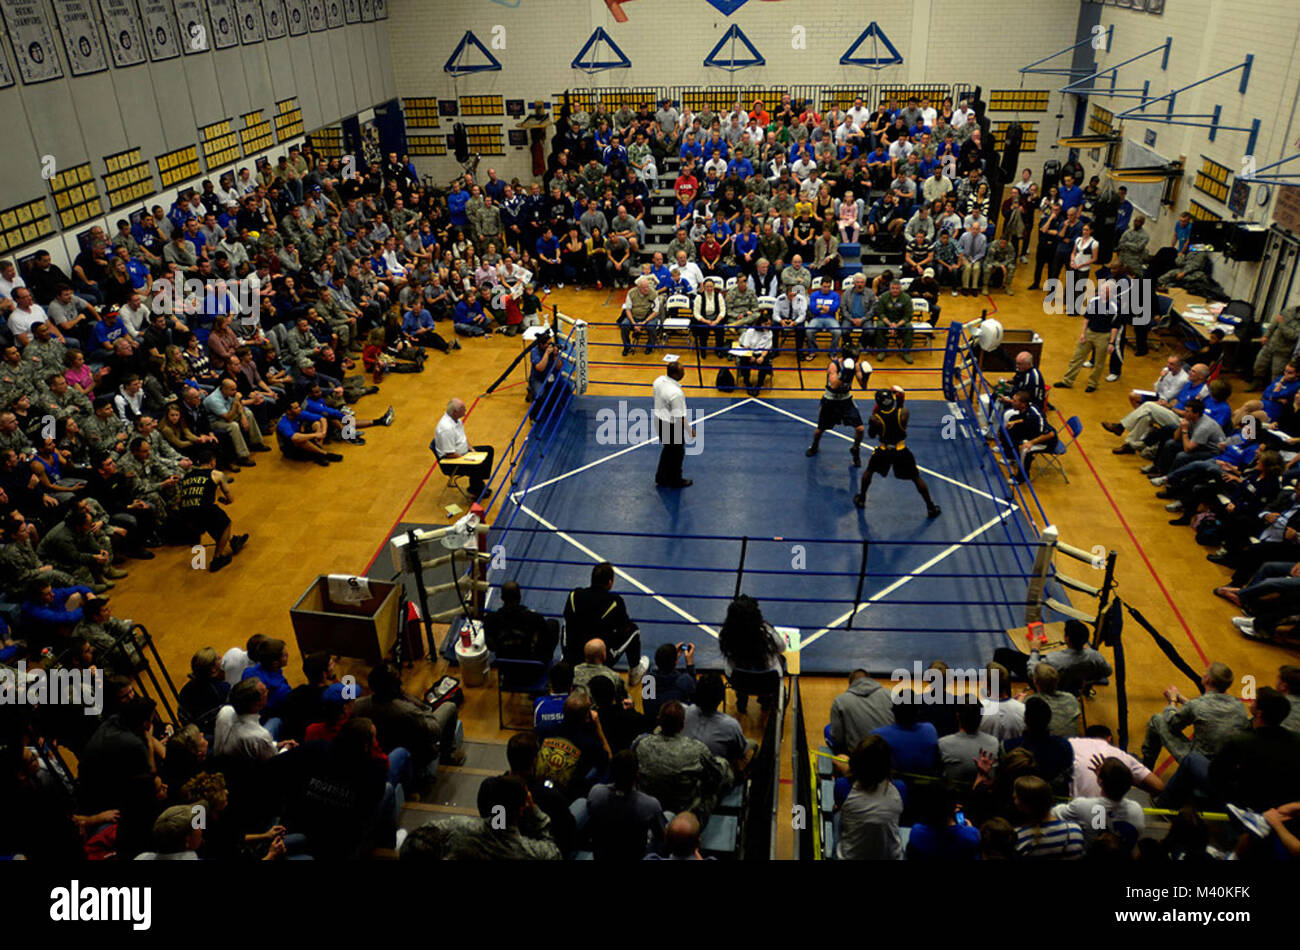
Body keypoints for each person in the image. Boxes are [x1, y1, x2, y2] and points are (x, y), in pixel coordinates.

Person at [854, 388, 941, 518]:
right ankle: (930, 507)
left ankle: (862, 499)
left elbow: (872, 435)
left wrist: (874, 415)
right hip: (901, 451)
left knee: (869, 471)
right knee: (916, 478)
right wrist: (900, 400)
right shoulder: (904, 413)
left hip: (884, 451)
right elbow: (899, 414)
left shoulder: (875, 419)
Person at [562, 561, 647, 685]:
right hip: (600, 658)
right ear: (610, 582)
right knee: (633, 630)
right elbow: (624, 628)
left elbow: (567, 622)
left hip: (573, 656)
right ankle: (635, 671)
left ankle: (565, 659)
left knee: (567, 624)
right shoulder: (615, 602)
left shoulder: (574, 595)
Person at [174, 448, 247, 573]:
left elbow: (180, 499)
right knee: (225, 523)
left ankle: (233, 540)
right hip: (203, 508)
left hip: (185, 512)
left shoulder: (187, 476)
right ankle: (217, 559)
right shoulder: (216, 474)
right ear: (212, 463)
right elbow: (230, 499)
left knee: (212, 521)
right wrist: (223, 500)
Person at [586, 749, 667, 860]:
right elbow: (661, 837)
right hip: (635, 855)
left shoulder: (596, 793)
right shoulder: (650, 805)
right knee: (669, 816)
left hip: (602, 854)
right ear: (636, 775)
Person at [837, 735, 903, 860]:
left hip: (850, 856)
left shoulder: (842, 787)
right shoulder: (899, 789)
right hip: (890, 856)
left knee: (838, 816)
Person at [717, 594, 786, 713]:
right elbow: (782, 648)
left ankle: (742, 700)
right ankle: (765, 701)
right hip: (768, 679)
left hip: (737, 679)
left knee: (741, 671)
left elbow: (726, 653)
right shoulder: (767, 633)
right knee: (782, 659)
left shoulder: (726, 633)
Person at [805, 343, 872, 464]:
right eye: (855, 357)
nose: (857, 359)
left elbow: (863, 386)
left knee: (860, 429)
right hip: (830, 400)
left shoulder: (855, 366)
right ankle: (814, 446)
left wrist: (866, 376)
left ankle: (855, 448)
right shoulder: (833, 365)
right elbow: (834, 385)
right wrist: (844, 374)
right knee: (820, 430)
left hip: (846, 400)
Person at [482, 579, 559, 664]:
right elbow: (545, 639)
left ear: (502, 598)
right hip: (530, 664)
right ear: (519, 597)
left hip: (504, 665)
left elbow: (491, 646)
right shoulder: (534, 617)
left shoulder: (490, 619)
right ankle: (546, 662)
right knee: (552, 624)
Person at [431, 397, 494, 500]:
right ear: (455, 412)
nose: (466, 410)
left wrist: (472, 450)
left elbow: (463, 437)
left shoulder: (456, 419)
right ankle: (475, 489)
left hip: (463, 452)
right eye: (463, 409)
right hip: (451, 461)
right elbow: (449, 454)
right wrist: (468, 459)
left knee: (488, 450)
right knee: (476, 464)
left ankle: (478, 482)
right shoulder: (446, 429)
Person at [652, 359, 693, 489]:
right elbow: (679, 416)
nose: (684, 373)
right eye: (682, 371)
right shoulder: (676, 394)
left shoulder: (658, 381)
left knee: (668, 450)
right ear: (676, 375)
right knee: (677, 453)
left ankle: (661, 477)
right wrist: (689, 429)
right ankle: (676, 480)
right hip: (670, 426)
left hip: (658, 420)